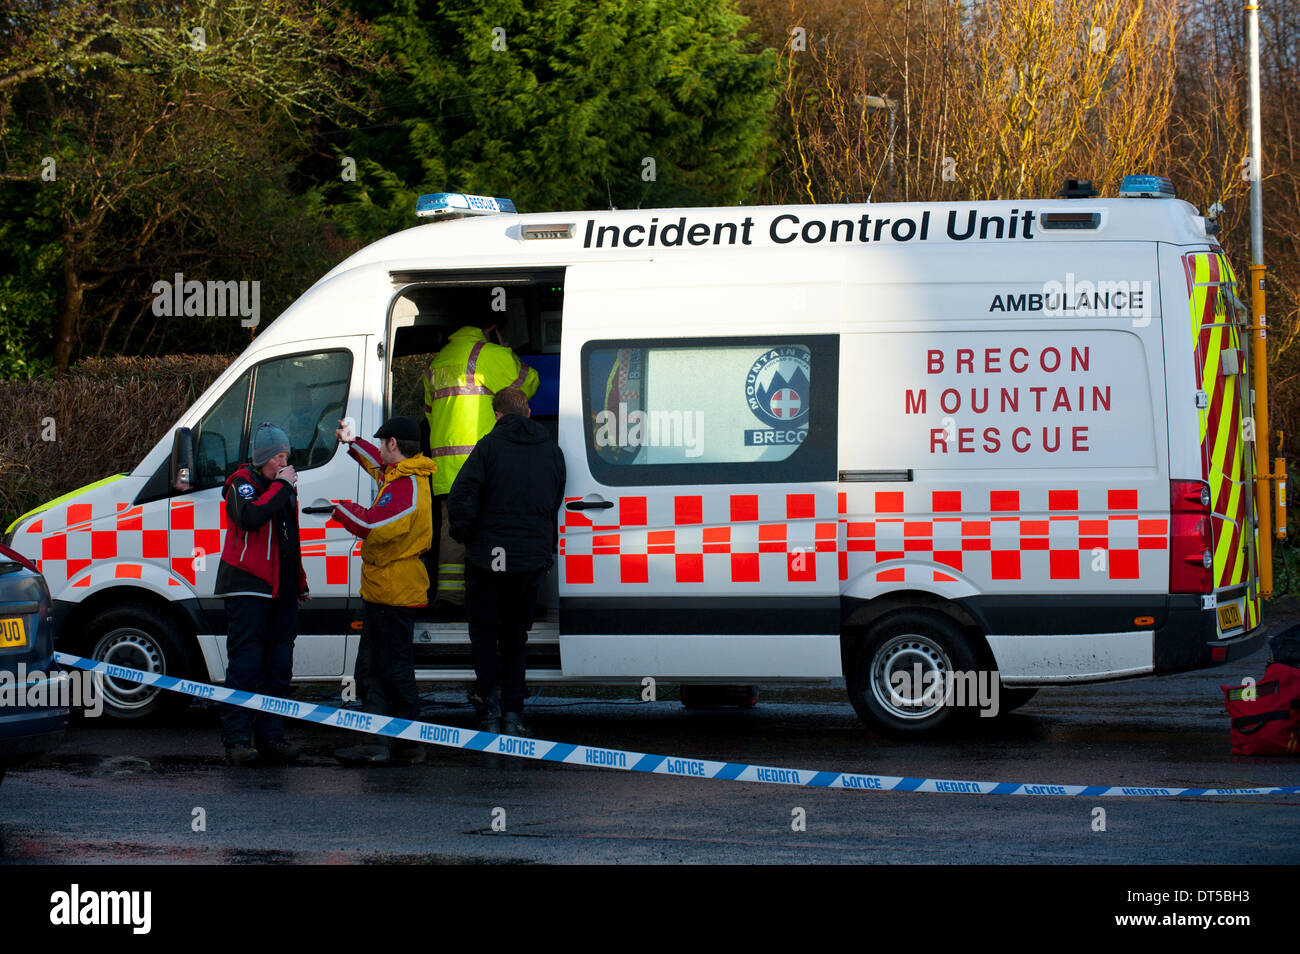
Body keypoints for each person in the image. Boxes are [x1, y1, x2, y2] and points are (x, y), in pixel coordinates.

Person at [448, 387, 565, 736]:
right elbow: (554, 499)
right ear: (528, 412)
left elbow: (462, 496)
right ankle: (514, 713)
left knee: (485, 634)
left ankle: (489, 707)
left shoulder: (488, 447)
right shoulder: (551, 451)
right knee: (517, 636)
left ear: (497, 415)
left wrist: (466, 535)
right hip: (530, 559)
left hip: (488, 558)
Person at [330, 416, 436, 765]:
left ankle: (401, 743)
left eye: (382, 443)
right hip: (387, 590)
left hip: (393, 592)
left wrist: (338, 507)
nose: (379, 449)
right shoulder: (403, 475)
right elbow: (376, 465)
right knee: (376, 669)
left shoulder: (405, 486)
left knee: (389, 670)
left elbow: (372, 525)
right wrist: (351, 441)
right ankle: (386, 743)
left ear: (393, 444)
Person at [424, 325, 538, 619]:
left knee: (453, 532)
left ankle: (450, 598)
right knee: (493, 530)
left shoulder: (437, 363)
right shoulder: (491, 354)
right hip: (484, 467)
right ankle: (496, 600)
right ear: (487, 331)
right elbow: (528, 386)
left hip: (447, 468)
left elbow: (429, 414)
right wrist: (507, 349)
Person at [214, 422, 308, 765]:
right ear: (262, 459)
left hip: (280, 588)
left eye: (286, 456)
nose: (282, 462)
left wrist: (299, 582)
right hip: (247, 585)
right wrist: (282, 485)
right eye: (277, 457)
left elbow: (289, 539)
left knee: (279, 666)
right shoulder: (242, 485)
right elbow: (251, 517)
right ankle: (237, 739)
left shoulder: (283, 489)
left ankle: (272, 736)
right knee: (246, 664)